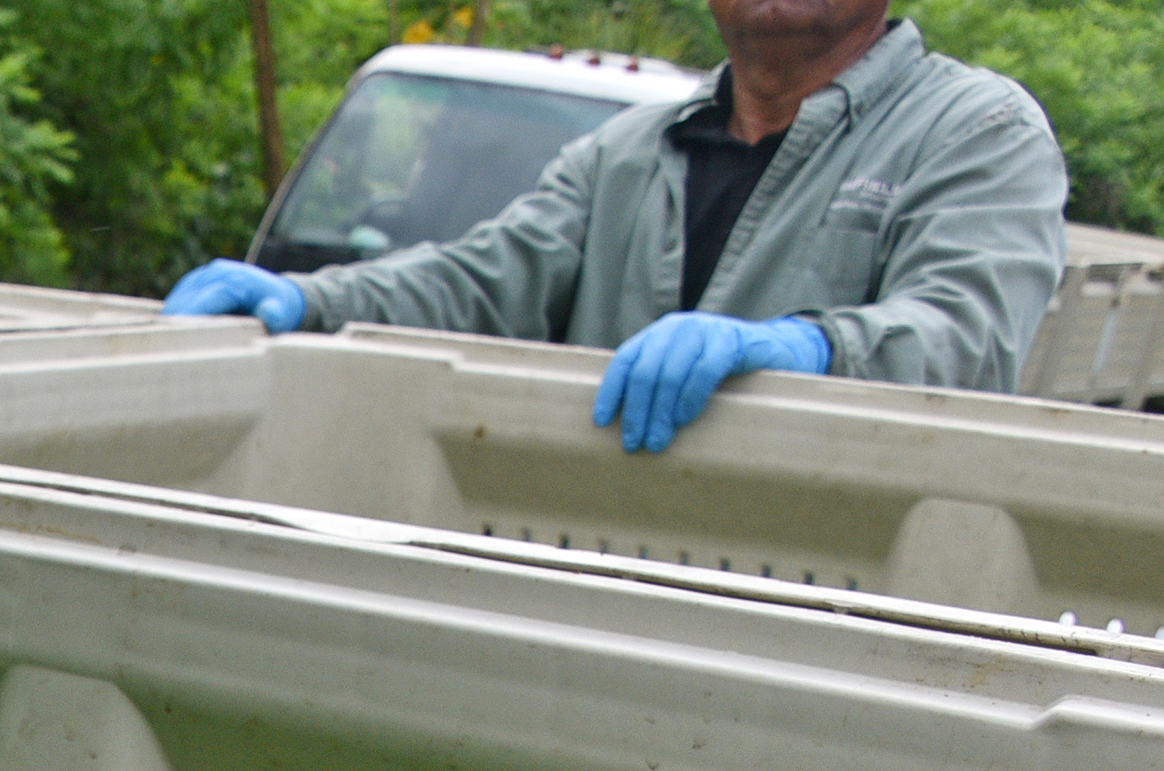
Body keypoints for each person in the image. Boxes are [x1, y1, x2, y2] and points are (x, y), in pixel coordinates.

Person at [163, 2, 1066, 452]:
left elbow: (967, 340)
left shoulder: (976, 129)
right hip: (606, 573)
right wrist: (303, 296)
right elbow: (483, 281)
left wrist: (803, 349)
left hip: (825, 611)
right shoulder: (630, 149)